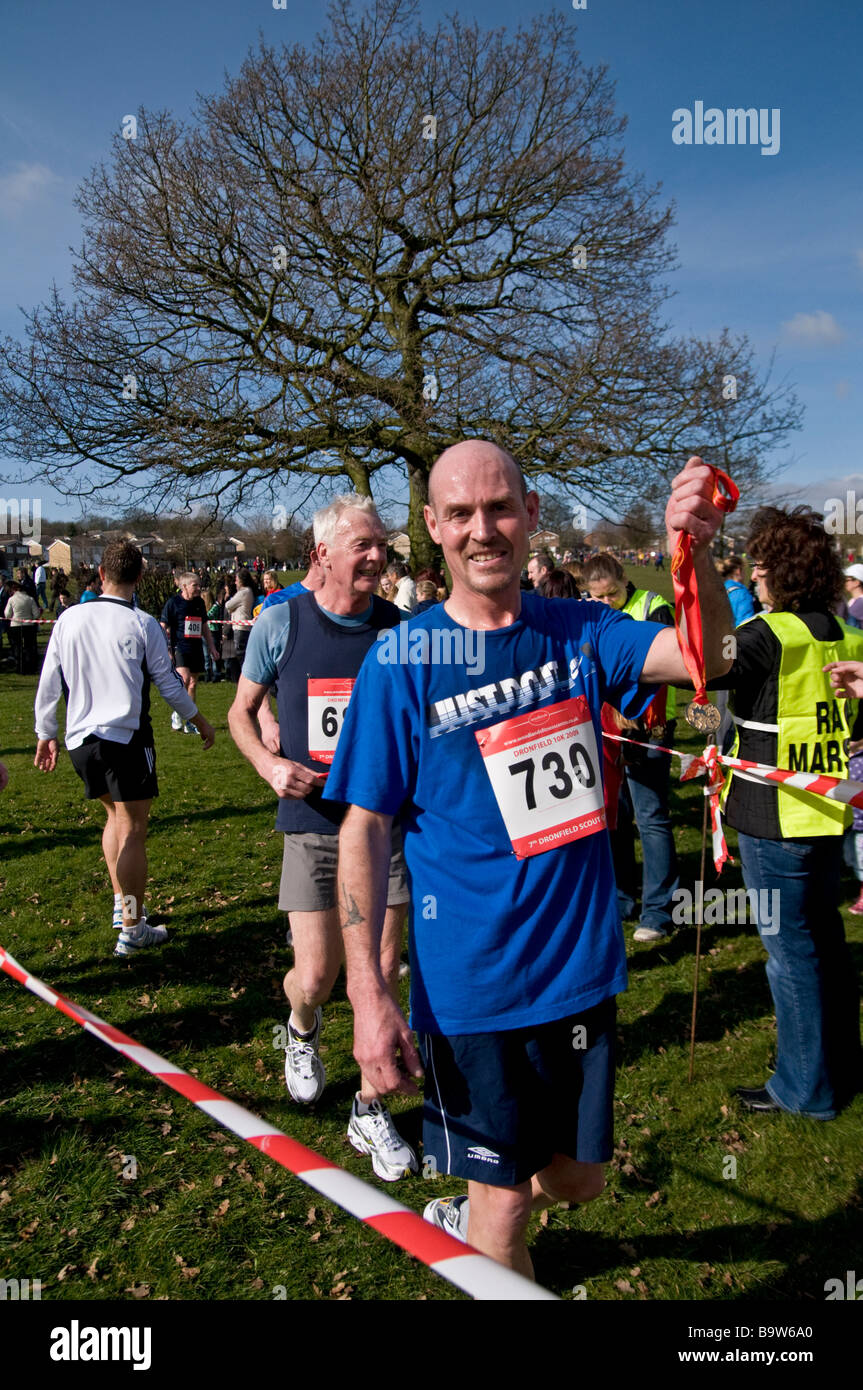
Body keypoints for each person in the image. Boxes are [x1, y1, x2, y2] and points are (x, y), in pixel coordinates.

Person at [326, 442, 731, 1274]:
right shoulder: (402, 661)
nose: (485, 530)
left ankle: (467, 1215)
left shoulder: (579, 631)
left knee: (578, 1180)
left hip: (581, 973)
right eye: (462, 515)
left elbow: (709, 660)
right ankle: (485, 1228)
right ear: (433, 528)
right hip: (472, 986)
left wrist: (699, 554)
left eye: (501, 508)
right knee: (506, 1206)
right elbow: (363, 829)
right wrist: (368, 995)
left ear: (532, 513)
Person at [227, 495, 417, 1182]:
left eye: (381, 546)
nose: (376, 556)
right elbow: (241, 711)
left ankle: (369, 1108)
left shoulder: (401, 629)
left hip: (386, 827)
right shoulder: (281, 621)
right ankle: (301, 1030)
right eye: (361, 545)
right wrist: (268, 763)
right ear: (323, 554)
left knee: (387, 973)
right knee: (316, 976)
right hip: (310, 826)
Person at [713, 506, 863, 1119]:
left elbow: (703, 666)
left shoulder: (765, 634)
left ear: (774, 570)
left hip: (775, 818)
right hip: (829, 811)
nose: (754, 576)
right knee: (824, 946)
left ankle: (805, 1090)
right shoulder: (845, 634)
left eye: (759, 565)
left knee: (791, 958)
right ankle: (839, 1065)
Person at [34, 541, 216, 957]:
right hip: (126, 738)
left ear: (101, 575)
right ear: (138, 578)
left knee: (114, 818)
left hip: (81, 741)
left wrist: (46, 731)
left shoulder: (68, 618)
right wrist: (200, 720)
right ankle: (133, 927)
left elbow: (49, 679)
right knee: (133, 829)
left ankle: (123, 906)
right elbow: (168, 682)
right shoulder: (142, 622)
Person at [581, 553, 680, 943]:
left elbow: (666, 671)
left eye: (613, 594)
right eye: (598, 596)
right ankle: (622, 898)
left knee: (651, 817)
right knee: (614, 817)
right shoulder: (590, 612)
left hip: (649, 729)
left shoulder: (653, 607)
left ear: (625, 580)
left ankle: (658, 911)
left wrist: (639, 721)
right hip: (606, 730)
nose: (607, 602)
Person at [161, 573, 219, 732]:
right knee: (184, 680)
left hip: (196, 648)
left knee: (193, 684)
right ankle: (178, 714)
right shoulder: (173, 603)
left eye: (199, 585)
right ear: (184, 586)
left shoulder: (199, 603)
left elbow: (204, 627)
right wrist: (165, 649)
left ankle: (189, 721)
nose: (199, 588)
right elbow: (162, 626)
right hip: (179, 647)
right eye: (195, 585)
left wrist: (212, 647)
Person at [260, 549, 325, 612]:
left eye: (268, 579)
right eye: (265, 579)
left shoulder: (275, 598)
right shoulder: (275, 601)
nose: (265, 581)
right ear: (317, 556)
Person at [224, 569, 257, 680]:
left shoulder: (243, 592)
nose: (235, 582)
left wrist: (230, 599)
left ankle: (245, 678)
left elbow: (228, 605)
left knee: (240, 655)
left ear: (242, 580)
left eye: (237, 580)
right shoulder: (248, 591)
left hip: (240, 627)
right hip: (241, 627)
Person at [4, 580, 41, 674]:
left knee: (17, 647)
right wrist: (30, 618)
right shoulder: (30, 599)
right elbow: (36, 614)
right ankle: (30, 667)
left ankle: (20, 668)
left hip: (15, 625)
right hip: (28, 625)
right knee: (29, 647)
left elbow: (7, 615)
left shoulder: (11, 599)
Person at [720, 557, 758, 625]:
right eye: (744, 571)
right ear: (738, 571)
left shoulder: (719, 590)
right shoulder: (742, 594)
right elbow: (745, 625)